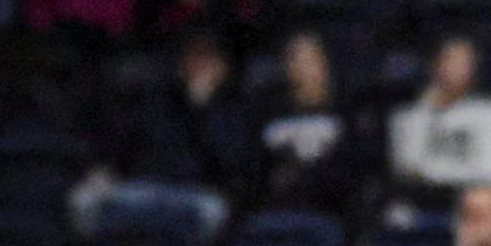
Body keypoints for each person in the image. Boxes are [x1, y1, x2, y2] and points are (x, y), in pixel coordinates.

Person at [388, 34, 491, 210]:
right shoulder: (408, 115)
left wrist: (430, 173)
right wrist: (427, 109)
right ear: (434, 64)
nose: (458, 68)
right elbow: (407, 169)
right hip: (422, 200)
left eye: (465, 62)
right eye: (451, 59)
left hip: (476, 203)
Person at [115, 27, 251, 188]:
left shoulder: (237, 104)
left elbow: (229, 161)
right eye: (193, 57)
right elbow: (155, 148)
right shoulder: (163, 100)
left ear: (222, 65)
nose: (199, 65)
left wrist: (204, 106)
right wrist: (192, 103)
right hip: (153, 185)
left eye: (207, 58)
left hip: (205, 191)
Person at [256, 30, 356, 212]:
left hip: (328, 207)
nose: (301, 66)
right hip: (278, 205)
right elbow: (257, 168)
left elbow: (349, 170)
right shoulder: (269, 112)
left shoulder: (344, 111)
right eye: (294, 58)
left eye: (308, 59)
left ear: (323, 62)